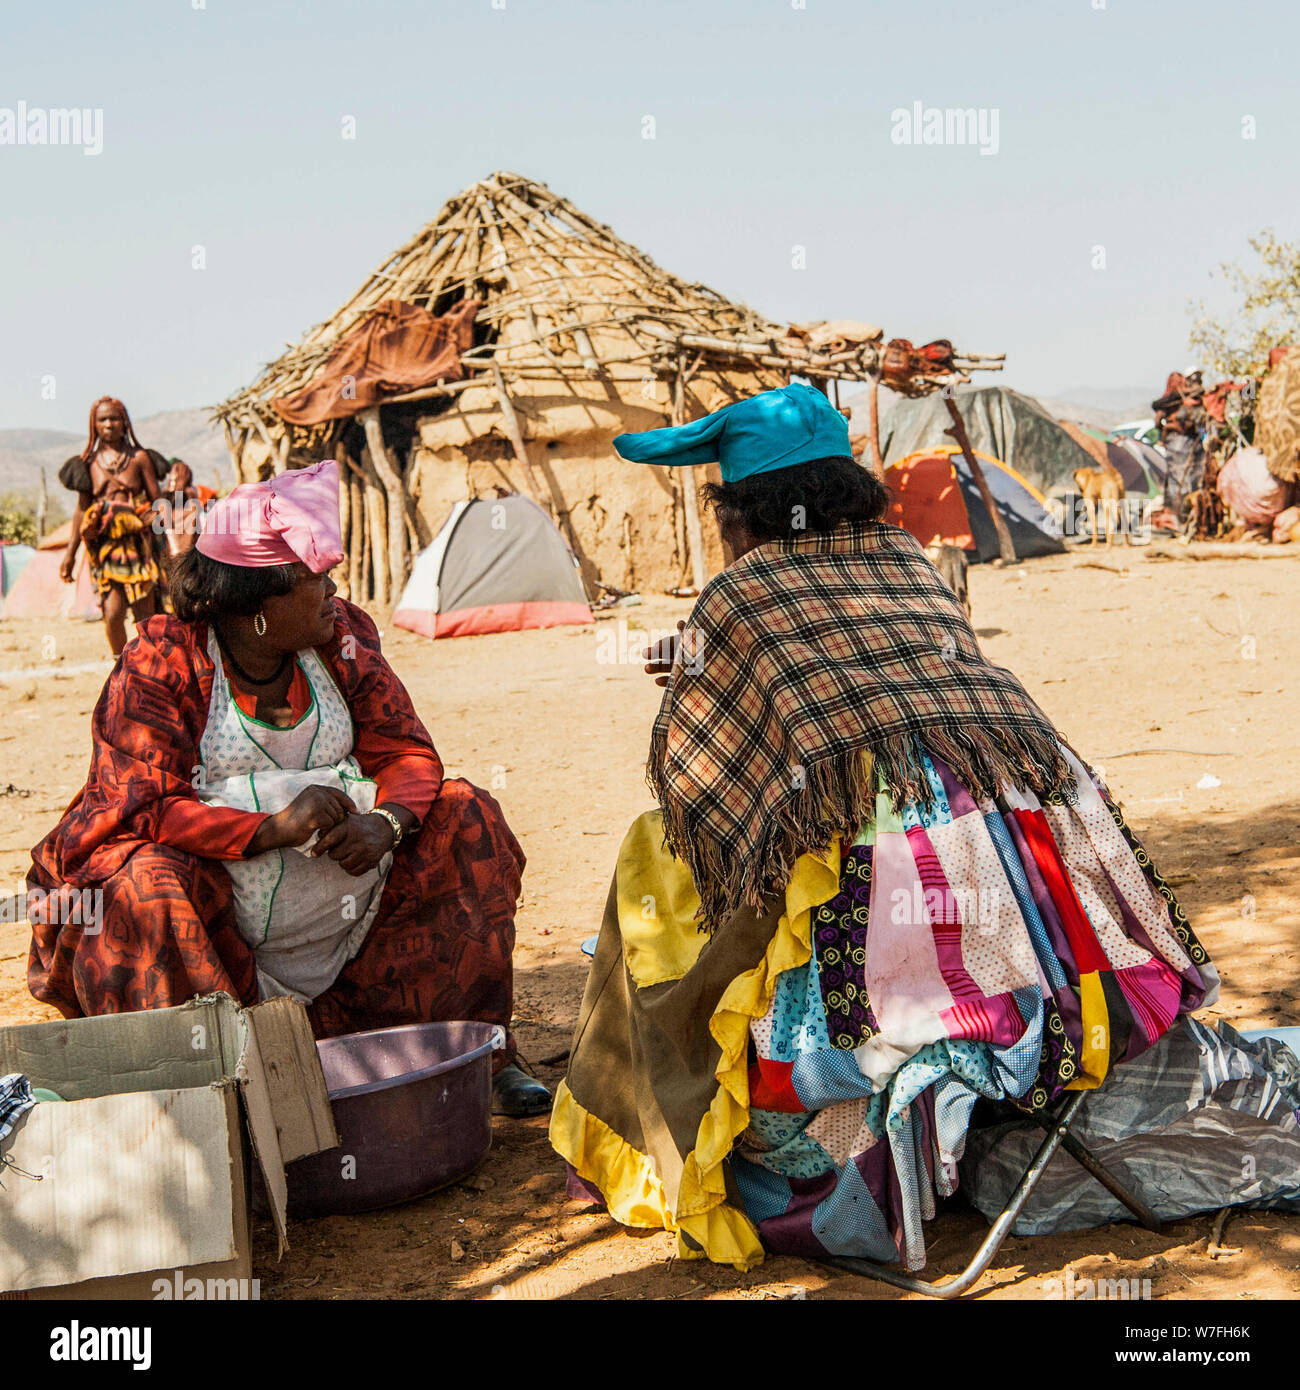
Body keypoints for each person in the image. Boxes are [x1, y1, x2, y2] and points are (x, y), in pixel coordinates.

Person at [550, 383, 1217, 1269]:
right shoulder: (907, 561)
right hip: (1052, 943)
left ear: (742, 514)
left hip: (892, 941)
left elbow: (708, 783)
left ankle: (787, 1153)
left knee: (657, 868)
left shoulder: (743, 592)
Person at [29, 458, 549, 1116]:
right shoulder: (164, 663)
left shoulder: (342, 643)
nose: (334, 591)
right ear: (256, 610)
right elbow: (147, 802)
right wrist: (268, 829)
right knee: (142, 882)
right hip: (220, 928)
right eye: (315, 580)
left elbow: (407, 752)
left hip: (344, 914)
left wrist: (385, 823)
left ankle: (477, 1051)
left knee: (465, 814)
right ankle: (215, 1103)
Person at [58, 397, 165, 655]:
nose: (109, 424)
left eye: (114, 418)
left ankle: (152, 666)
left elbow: (158, 501)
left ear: (124, 422)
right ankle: (122, 665)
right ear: (94, 425)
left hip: (138, 544)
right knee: (113, 613)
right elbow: (82, 510)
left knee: (145, 614)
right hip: (105, 548)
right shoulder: (89, 462)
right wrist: (70, 554)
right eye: (103, 420)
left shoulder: (139, 458)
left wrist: (149, 518)